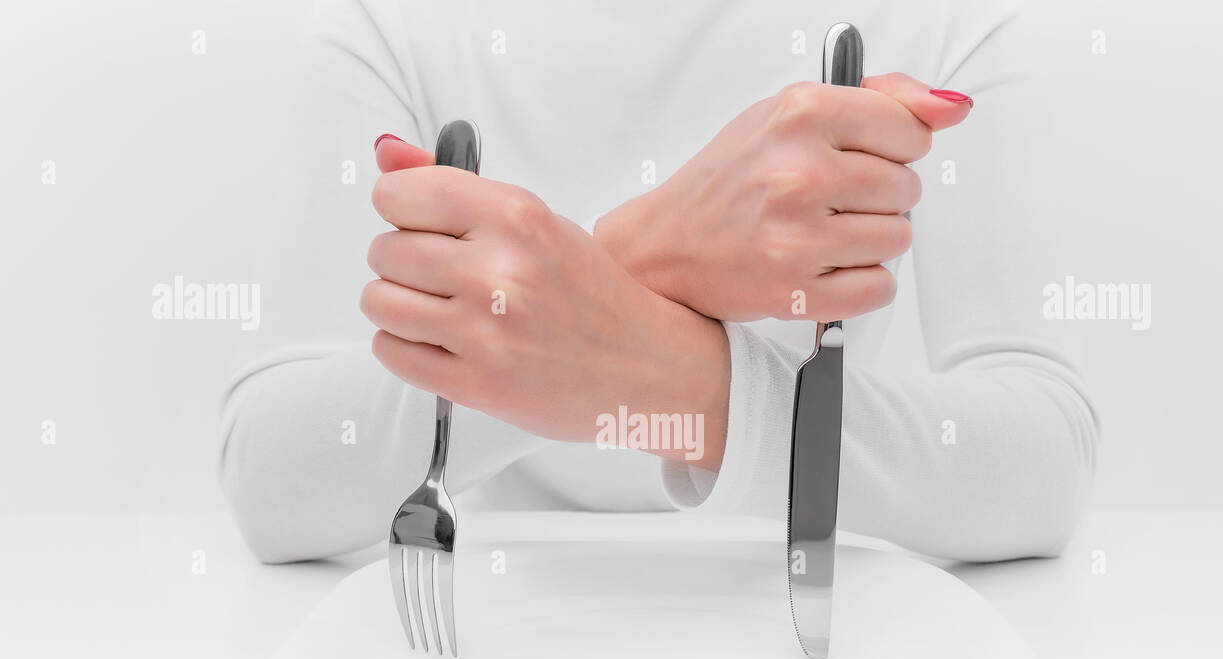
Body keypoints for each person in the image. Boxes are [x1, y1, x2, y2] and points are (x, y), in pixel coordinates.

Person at [219, 0, 1097, 564]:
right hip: (499, 640)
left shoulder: (947, 17)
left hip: (824, 656)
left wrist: (624, 334)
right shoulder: (386, 22)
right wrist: (660, 248)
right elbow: (270, 475)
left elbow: (1043, 462)